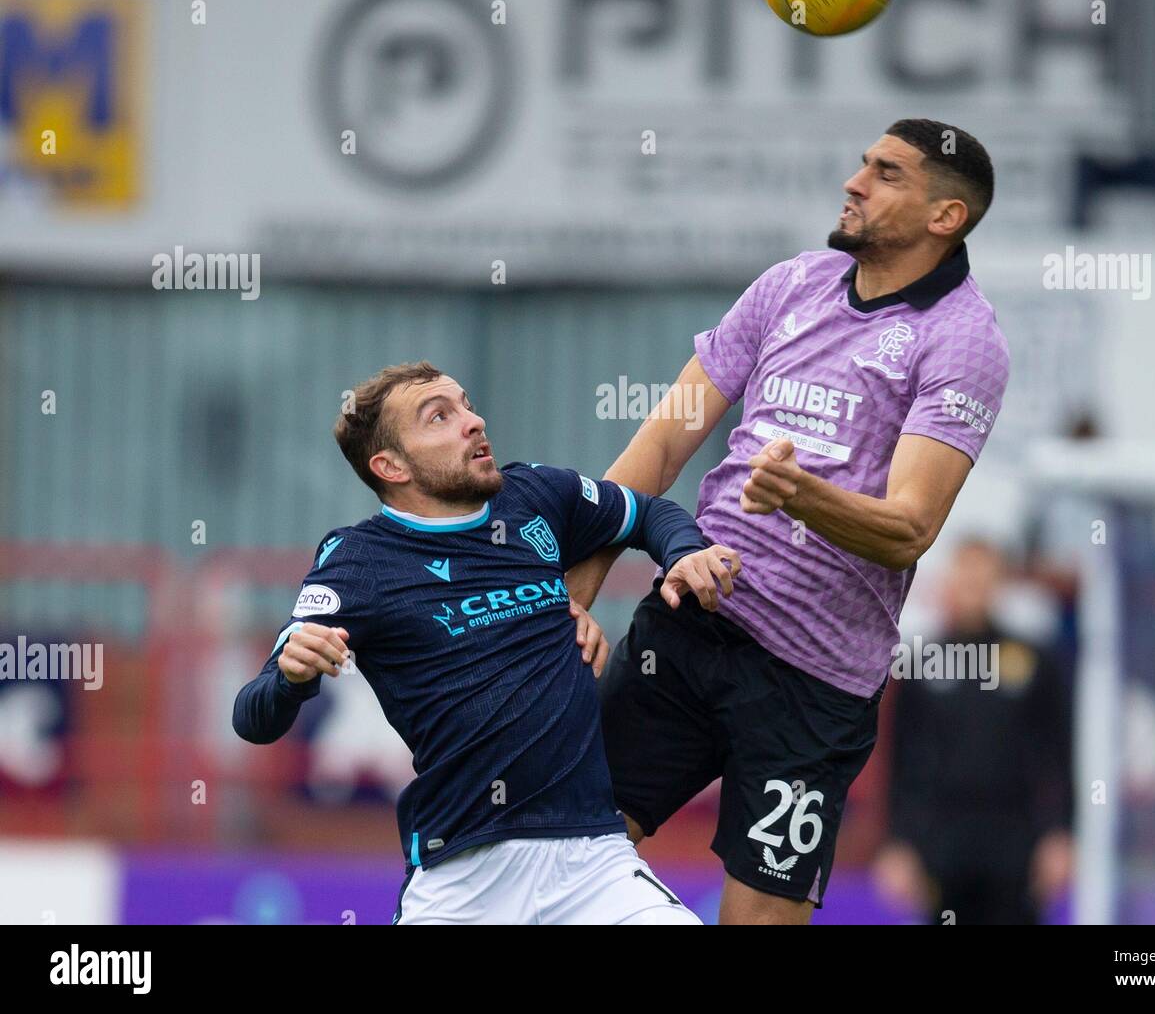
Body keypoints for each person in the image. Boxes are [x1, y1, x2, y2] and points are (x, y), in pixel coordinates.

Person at [568, 119, 1011, 924]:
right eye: (861, 163)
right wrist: (579, 588)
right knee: (561, 855)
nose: (855, 181)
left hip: (813, 686)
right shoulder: (791, 284)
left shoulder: (963, 339)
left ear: (946, 216)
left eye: (886, 173)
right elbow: (664, 438)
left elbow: (910, 526)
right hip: (692, 625)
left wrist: (800, 493)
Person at [233, 361, 740, 925]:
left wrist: (683, 553)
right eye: (440, 417)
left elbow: (645, 511)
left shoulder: (534, 496)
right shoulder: (358, 562)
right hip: (460, 878)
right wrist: (290, 678)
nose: (472, 422)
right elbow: (253, 719)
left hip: (594, 862)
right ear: (390, 465)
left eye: (466, 405)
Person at [874, 539, 1074, 925]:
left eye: (984, 578)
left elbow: (1059, 756)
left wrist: (1060, 834)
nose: (974, 587)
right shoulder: (922, 664)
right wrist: (897, 843)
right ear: (949, 581)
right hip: (943, 842)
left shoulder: (1033, 662)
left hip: (1015, 840)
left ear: (999, 584)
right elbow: (900, 763)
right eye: (966, 576)